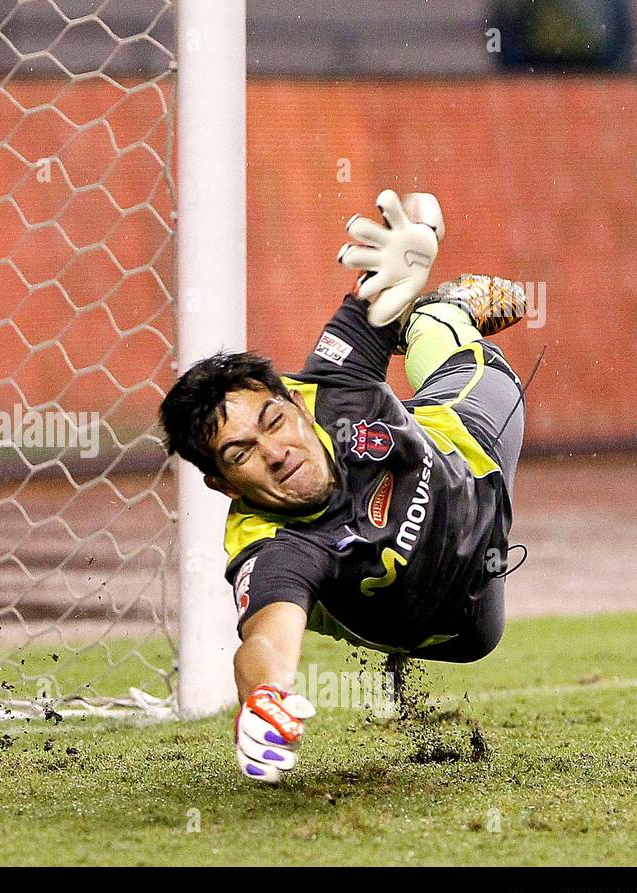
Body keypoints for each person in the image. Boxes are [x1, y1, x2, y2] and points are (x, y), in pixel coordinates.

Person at [158, 190, 527, 783]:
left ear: (294, 403)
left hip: (468, 455)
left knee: (437, 327)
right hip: (456, 618)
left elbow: (403, 247)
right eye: (239, 453)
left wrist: (421, 235)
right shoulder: (272, 548)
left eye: (273, 421)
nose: (274, 454)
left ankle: (447, 311)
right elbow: (267, 644)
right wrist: (262, 701)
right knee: (475, 640)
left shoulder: (334, 380)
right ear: (221, 484)